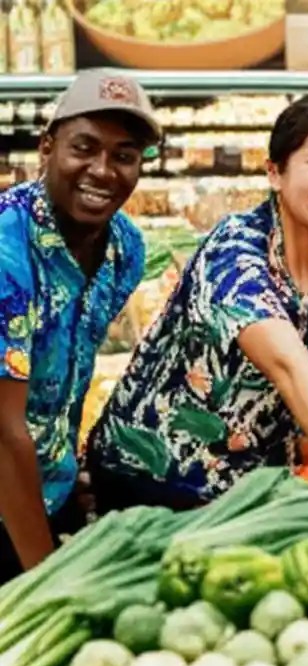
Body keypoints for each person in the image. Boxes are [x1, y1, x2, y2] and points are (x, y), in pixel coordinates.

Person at [85, 94, 308, 510]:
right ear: (275, 173)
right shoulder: (234, 251)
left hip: (247, 486)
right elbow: (289, 367)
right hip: (154, 480)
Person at [0, 70, 160, 577]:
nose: (103, 170)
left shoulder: (124, 250)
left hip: (51, 489)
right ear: (47, 147)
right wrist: (43, 578)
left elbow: (65, 371)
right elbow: (2, 433)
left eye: (124, 155)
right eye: (84, 148)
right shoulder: (7, 250)